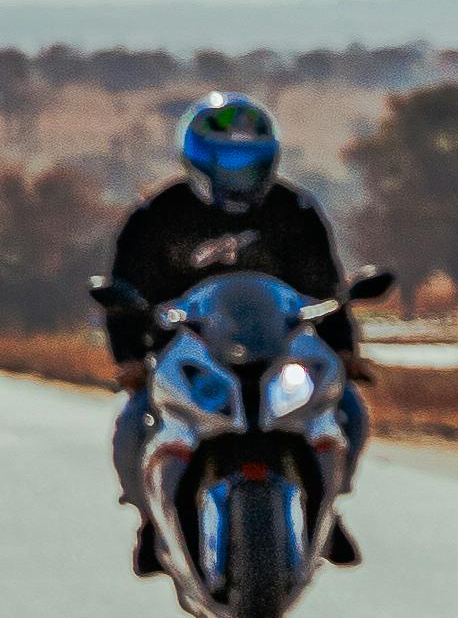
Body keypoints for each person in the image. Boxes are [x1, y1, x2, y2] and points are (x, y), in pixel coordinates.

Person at [102, 93, 369, 574]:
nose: (236, 173)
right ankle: (150, 522)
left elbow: (327, 290)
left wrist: (345, 351)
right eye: (224, 161)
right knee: (131, 425)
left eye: (248, 162)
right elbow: (124, 294)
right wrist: (129, 359)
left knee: (349, 409)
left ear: (270, 160)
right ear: (196, 160)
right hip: (185, 353)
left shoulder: (295, 211)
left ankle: (327, 510)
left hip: (280, 351)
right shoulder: (157, 216)